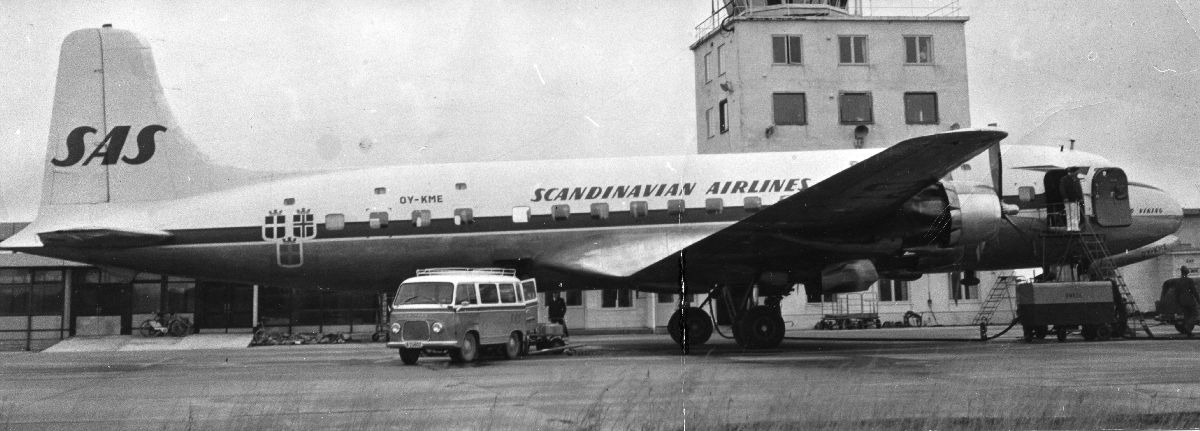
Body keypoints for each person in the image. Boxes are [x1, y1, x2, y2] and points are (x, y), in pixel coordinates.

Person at [1165, 266, 1199, 337]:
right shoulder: (1189, 280)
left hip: (1181, 301)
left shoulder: (1178, 281)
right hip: (1189, 300)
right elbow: (1194, 291)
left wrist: (1178, 302)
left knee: (1187, 316)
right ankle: (1188, 327)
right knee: (1195, 314)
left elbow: (1176, 293)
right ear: (1187, 273)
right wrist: (1199, 300)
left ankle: (1188, 332)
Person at [1059, 167, 1085, 232]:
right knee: (1069, 214)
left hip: (1076, 199)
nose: (1078, 173)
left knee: (1076, 214)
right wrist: (1065, 197)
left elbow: (1079, 189)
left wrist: (1081, 197)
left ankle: (1075, 227)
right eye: (1077, 172)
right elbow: (1062, 189)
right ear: (1073, 172)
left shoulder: (1076, 179)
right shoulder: (1064, 179)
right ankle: (1070, 228)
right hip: (1069, 199)